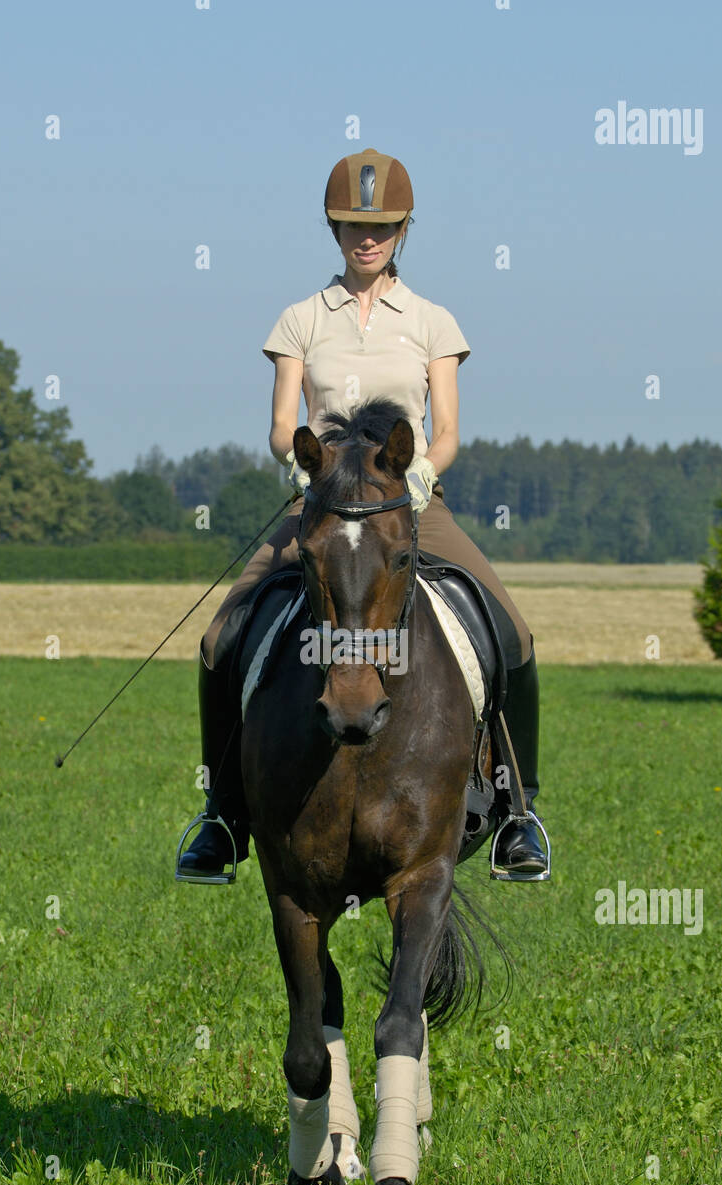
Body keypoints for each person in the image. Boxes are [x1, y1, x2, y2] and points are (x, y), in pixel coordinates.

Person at [177, 146, 546, 884]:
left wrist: (421, 474)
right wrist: (300, 461)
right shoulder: (300, 319)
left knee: (513, 632)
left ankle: (517, 813)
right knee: (221, 640)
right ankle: (220, 817)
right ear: (333, 227)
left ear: (404, 230)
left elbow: (445, 430)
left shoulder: (434, 322)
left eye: (379, 227)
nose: (365, 238)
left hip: (408, 504)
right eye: (351, 224)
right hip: (319, 505)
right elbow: (284, 422)